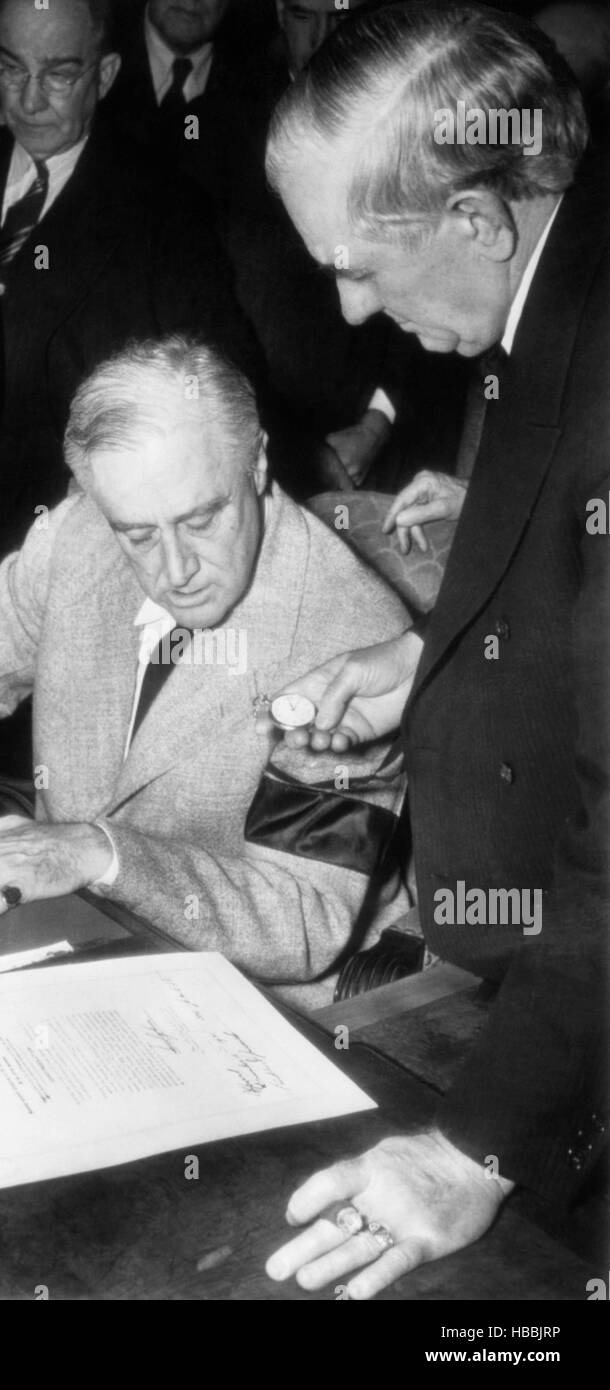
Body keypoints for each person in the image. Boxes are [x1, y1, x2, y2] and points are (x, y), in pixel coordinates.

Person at [261, 2, 609, 1296]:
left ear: (473, 220)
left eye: (356, 262)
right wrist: (429, 663)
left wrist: (473, 1147)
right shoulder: (543, 283)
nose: (347, 307)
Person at [0, 338, 414, 1003]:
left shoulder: (356, 637)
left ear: (255, 463)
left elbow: (301, 918)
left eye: (201, 519)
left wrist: (99, 852)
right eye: (139, 534)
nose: (176, 570)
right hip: (67, 931)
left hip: (250, 996)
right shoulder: (81, 532)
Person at [0, 0, 259, 571]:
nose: (29, 101)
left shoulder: (164, 211)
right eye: (12, 69)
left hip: (62, 553)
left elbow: (220, 383)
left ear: (105, 76)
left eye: (59, 75)